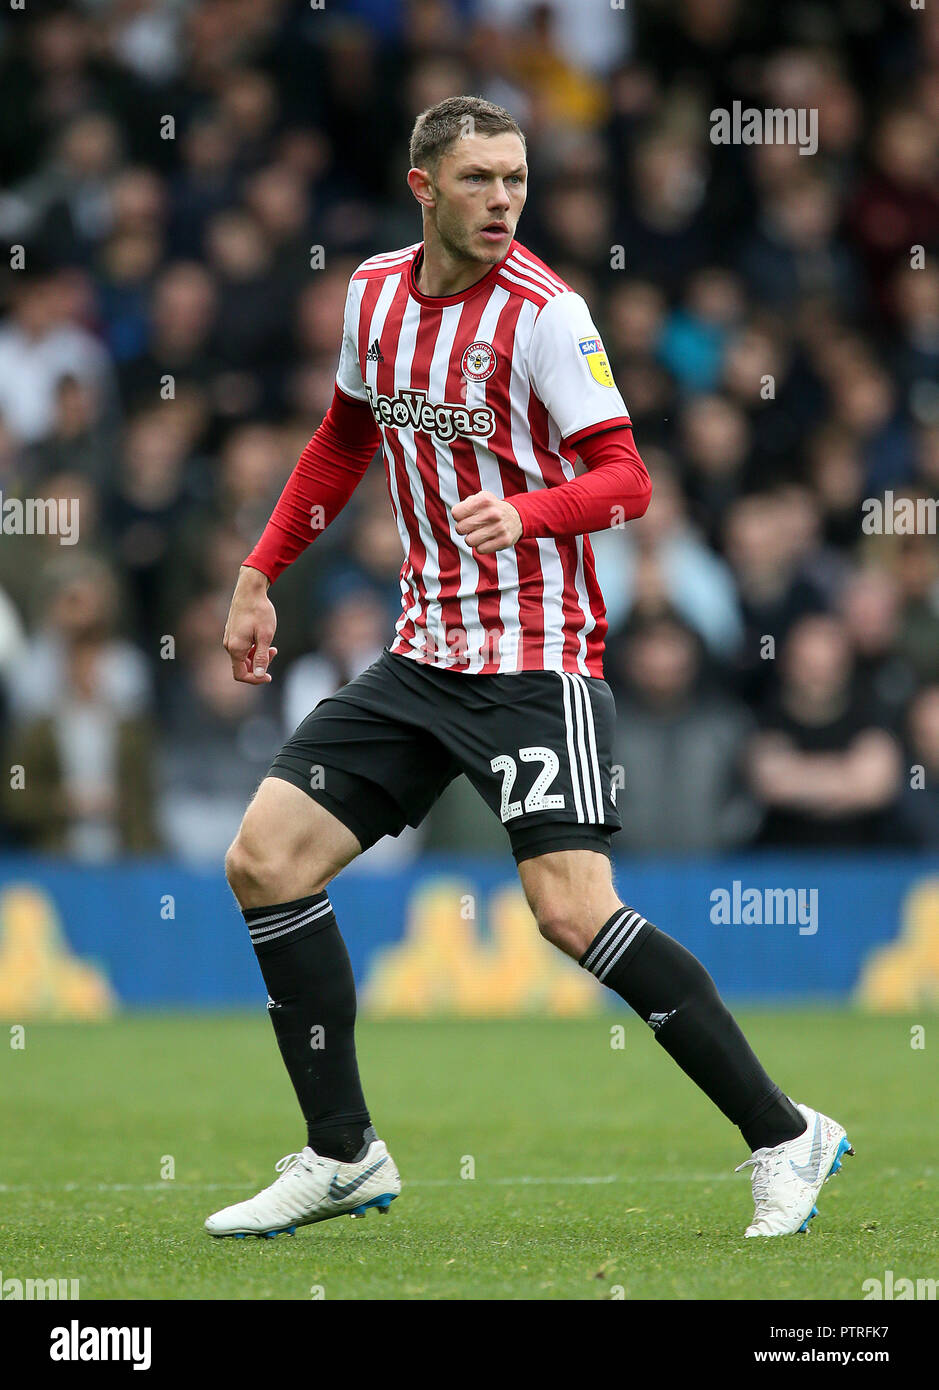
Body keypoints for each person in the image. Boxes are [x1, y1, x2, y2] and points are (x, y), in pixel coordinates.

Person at [207, 96, 851, 1242]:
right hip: (421, 652)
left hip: (536, 659)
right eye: (478, 179)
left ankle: (783, 1132)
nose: (503, 198)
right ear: (424, 186)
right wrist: (262, 568)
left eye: (515, 177)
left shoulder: (548, 314)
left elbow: (627, 478)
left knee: (569, 911)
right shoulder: (370, 296)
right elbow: (346, 436)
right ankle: (342, 1152)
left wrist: (528, 510)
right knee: (264, 860)